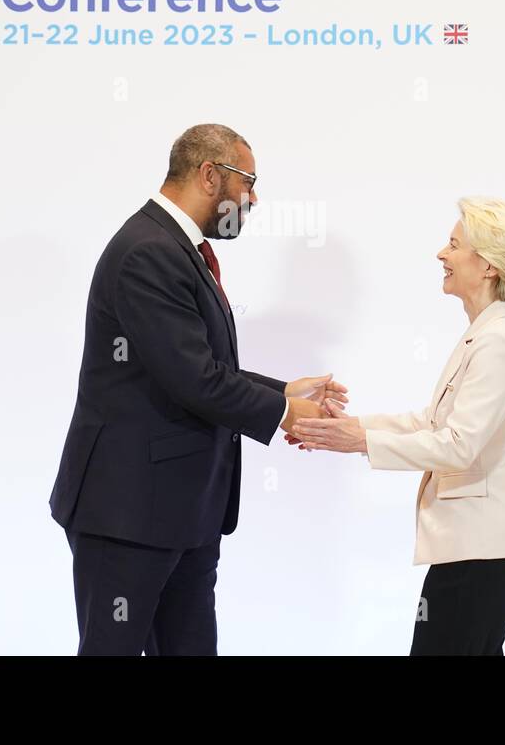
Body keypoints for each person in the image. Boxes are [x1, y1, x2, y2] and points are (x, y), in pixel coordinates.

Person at [50, 123, 346, 655]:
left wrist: (286, 391)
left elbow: (195, 365)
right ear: (210, 175)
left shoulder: (173, 247)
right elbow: (193, 379)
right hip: (128, 515)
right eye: (248, 182)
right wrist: (285, 412)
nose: (253, 199)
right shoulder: (148, 251)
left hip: (179, 514)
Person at [290, 197, 505, 655]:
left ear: (488, 265)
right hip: (478, 550)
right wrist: (349, 428)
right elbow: (432, 421)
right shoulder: (485, 335)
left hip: (481, 552)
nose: (441, 254)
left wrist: (361, 441)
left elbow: (458, 445)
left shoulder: (498, 342)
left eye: (454, 245)